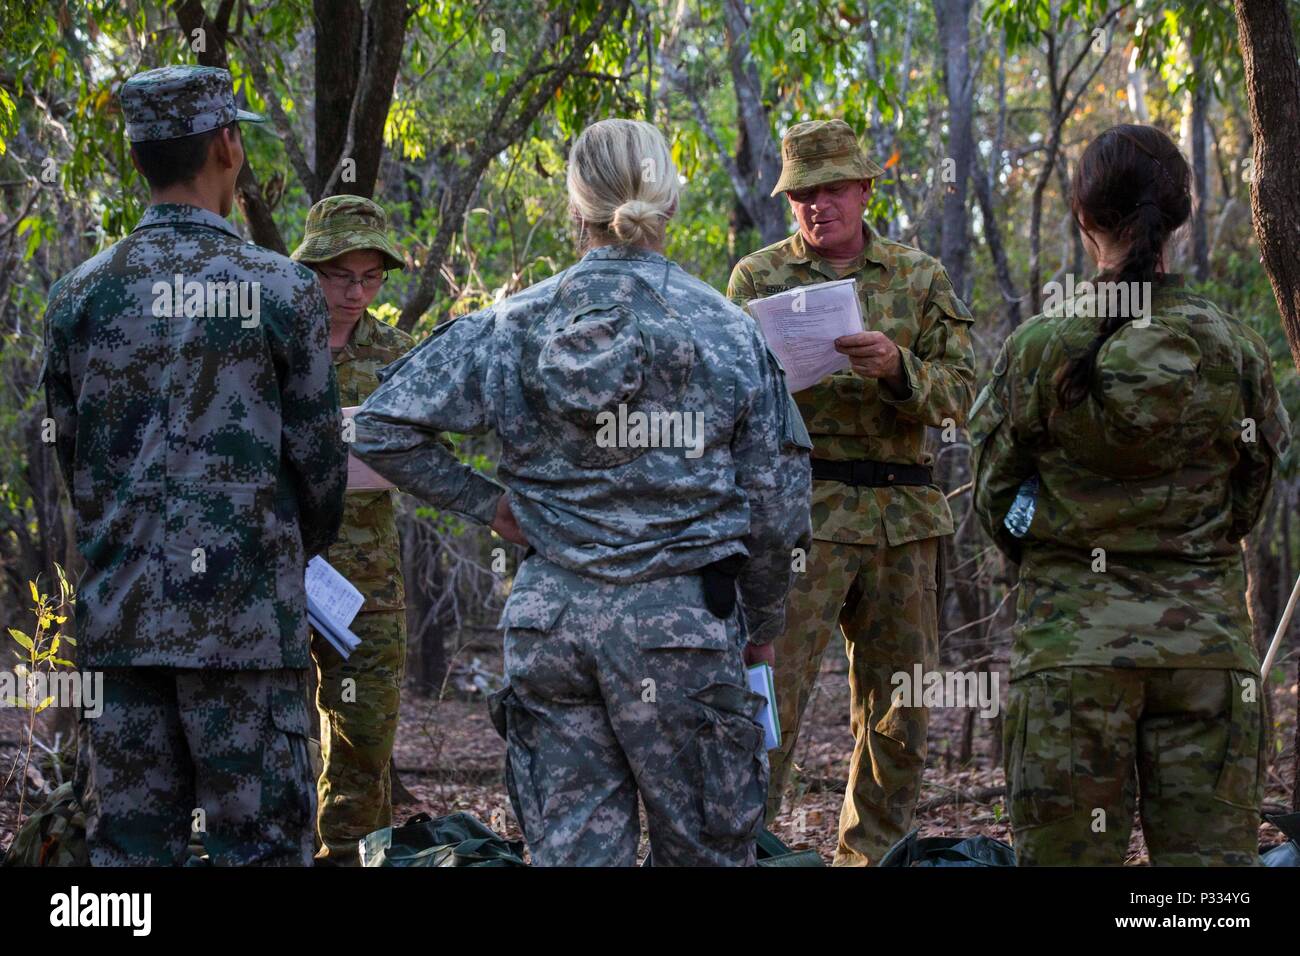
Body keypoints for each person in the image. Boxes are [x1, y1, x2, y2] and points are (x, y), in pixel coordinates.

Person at [352, 118, 812, 866]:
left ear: (576, 208)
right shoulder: (728, 332)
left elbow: (380, 427)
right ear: (668, 206)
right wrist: (761, 624)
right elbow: (776, 506)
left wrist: (493, 506)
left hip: (550, 627)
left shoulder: (514, 323)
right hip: (684, 629)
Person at [43, 65, 347, 866]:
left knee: (131, 864)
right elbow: (321, 471)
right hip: (245, 640)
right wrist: (280, 555)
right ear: (225, 145)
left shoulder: (79, 296)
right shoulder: (280, 288)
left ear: (141, 155)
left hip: (126, 632)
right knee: (263, 851)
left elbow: (76, 465)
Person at [970, 124, 1290, 865]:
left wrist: (1054, 539)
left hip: (1071, 660)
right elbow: (1250, 495)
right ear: (1184, 214)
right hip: (1207, 660)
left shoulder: (1040, 346)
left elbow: (997, 499)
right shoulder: (1233, 346)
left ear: (1084, 218)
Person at [727, 119, 976, 866]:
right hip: (798, 516)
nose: (816, 206)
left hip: (902, 514)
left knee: (900, 709)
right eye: (802, 193)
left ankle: (873, 856)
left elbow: (962, 390)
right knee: (768, 697)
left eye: (832, 189)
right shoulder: (757, 279)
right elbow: (724, 397)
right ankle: (748, 847)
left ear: (866, 189)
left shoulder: (918, 276)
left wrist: (900, 370)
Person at [289, 195, 414, 865]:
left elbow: (426, 452)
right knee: (274, 747)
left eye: (370, 277)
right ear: (310, 270)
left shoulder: (397, 353)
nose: (356, 292)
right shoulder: (269, 344)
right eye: (341, 276)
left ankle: (355, 860)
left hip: (366, 583)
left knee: (365, 744)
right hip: (277, 574)